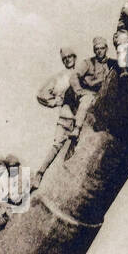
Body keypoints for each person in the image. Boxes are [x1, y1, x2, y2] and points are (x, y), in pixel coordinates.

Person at [32, 48, 83, 188]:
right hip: (66, 115)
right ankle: (40, 174)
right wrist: (55, 101)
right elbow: (41, 94)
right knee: (57, 145)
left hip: (81, 115)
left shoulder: (81, 70)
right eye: (65, 58)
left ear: (74, 57)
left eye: (70, 56)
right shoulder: (59, 77)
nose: (68, 59)